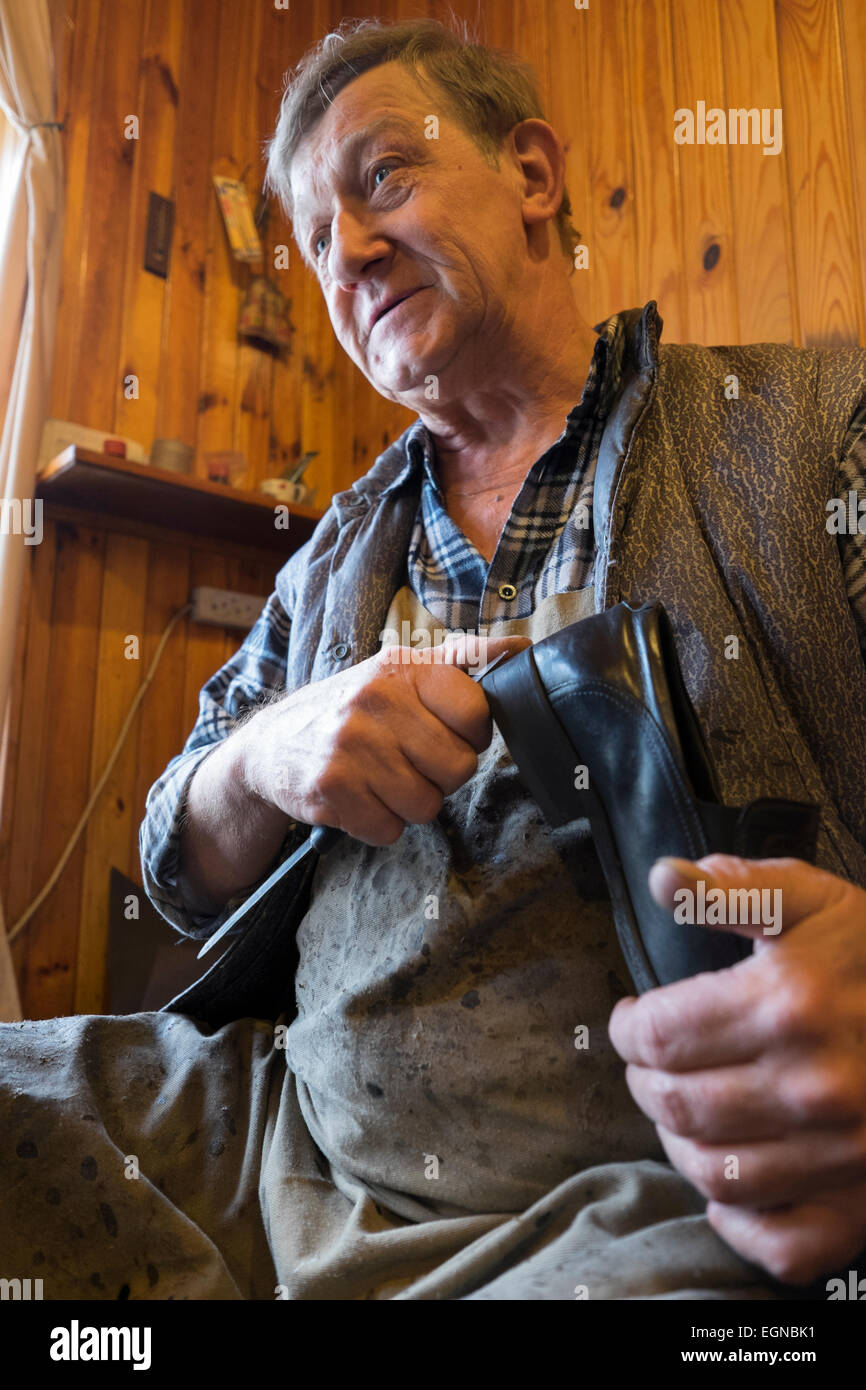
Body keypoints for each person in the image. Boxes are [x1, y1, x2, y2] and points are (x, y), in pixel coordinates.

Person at [4, 16, 866, 1302]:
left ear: (530, 175)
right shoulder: (327, 559)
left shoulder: (806, 436)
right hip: (279, 1150)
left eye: (384, 179)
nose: (344, 253)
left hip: (644, 1211)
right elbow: (171, 866)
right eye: (310, 238)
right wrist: (266, 752)